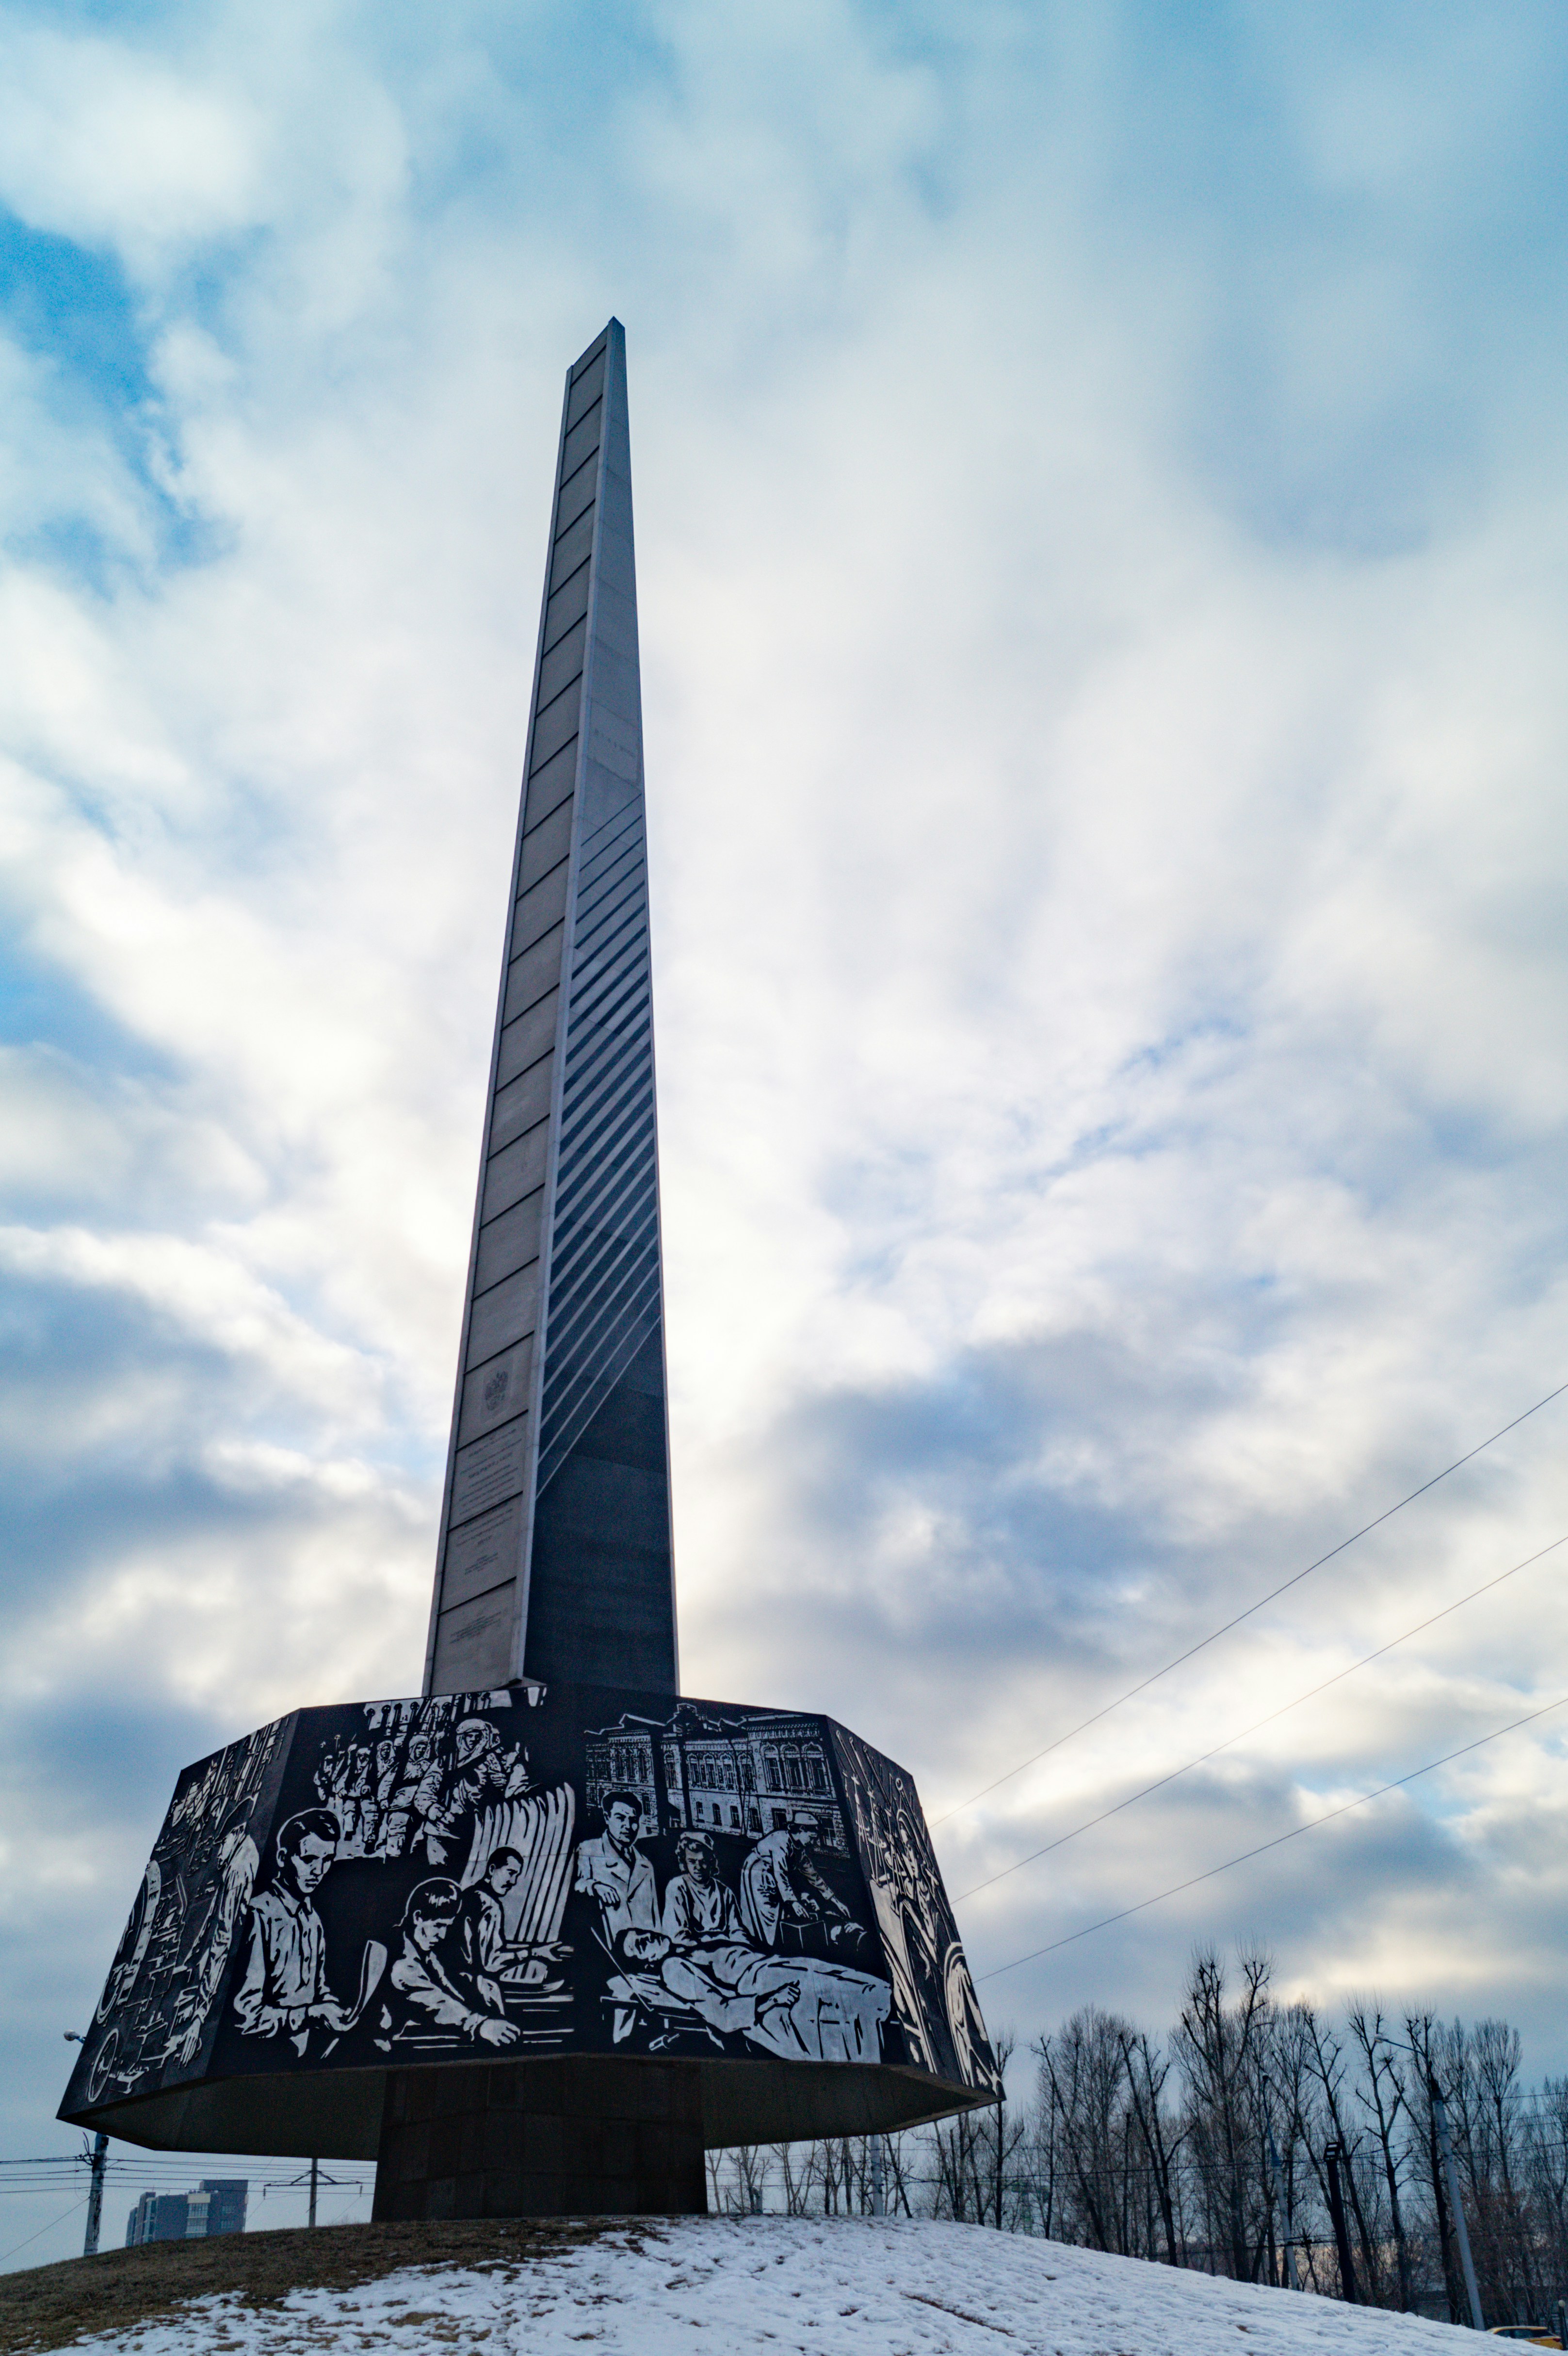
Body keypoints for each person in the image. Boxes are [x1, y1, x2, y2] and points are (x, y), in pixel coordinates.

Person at [614, 1927, 889, 2064]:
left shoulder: (686, 1948)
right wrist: (773, 1999)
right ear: (647, 1964)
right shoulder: (672, 1969)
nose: (647, 1938)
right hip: (774, 2000)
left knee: (863, 1995)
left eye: (642, 1934)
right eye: (640, 1946)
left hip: (779, 1972)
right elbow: (722, 2014)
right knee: (858, 2012)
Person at [233, 1810, 350, 2053]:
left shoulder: (313, 1920)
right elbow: (246, 2015)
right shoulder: (259, 1915)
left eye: (327, 1860)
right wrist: (309, 2015)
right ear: (283, 1857)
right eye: (309, 1859)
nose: (319, 1870)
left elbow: (318, 1990)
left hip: (303, 2056)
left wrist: (332, 2009)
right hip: (263, 2059)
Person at [381, 1879, 519, 2047]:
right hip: (384, 2046)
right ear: (418, 1917)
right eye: (438, 1925)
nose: (442, 1935)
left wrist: (481, 1993)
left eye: (447, 1926)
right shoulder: (401, 1960)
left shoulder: (425, 1952)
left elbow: (447, 1986)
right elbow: (436, 2002)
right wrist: (480, 2025)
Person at [740, 1813, 856, 1950]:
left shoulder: (799, 1849)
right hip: (757, 1876)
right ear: (801, 1830)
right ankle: (763, 1947)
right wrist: (793, 1901)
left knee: (778, 1914)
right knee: (766, 1914)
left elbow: (813, 1876)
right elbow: (780, 1873)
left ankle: (773, 1946)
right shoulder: (781, 1841)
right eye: (811, 1838)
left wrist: (836, 1902)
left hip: (773, 1880)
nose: (812, 1842)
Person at [452, 1847, 532, 2009]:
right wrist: (532, 1953)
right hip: (477, 1990)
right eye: (511, 1873)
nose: (514, 1881)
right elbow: (490, 1962)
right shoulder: (490, 1905)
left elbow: (487, 1945)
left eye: (517, 1875)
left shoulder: (469, 1894)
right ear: (492, 1869)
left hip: (456, 1984)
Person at [573, 1791, 656, 1945]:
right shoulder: (588, 1851)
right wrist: (594, 1886)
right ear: (607, 1818)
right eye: (620, 1818)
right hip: (608, 1950)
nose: (628, 1826)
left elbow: (654, 1918)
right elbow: (574, 1887)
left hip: (644, 1951)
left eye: (633, 1820)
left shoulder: (645, 1865)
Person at [661, 1831, 744, 1945]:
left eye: (703, 1861)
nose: (698, 1867)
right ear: (684, 1861)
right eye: (692, 1861)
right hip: (691, 1951)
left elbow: (737, 1931)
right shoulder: (677, 1887)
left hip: (727, 1950)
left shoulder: (725, 1892)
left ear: (711, 1862)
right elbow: (678, 1936)